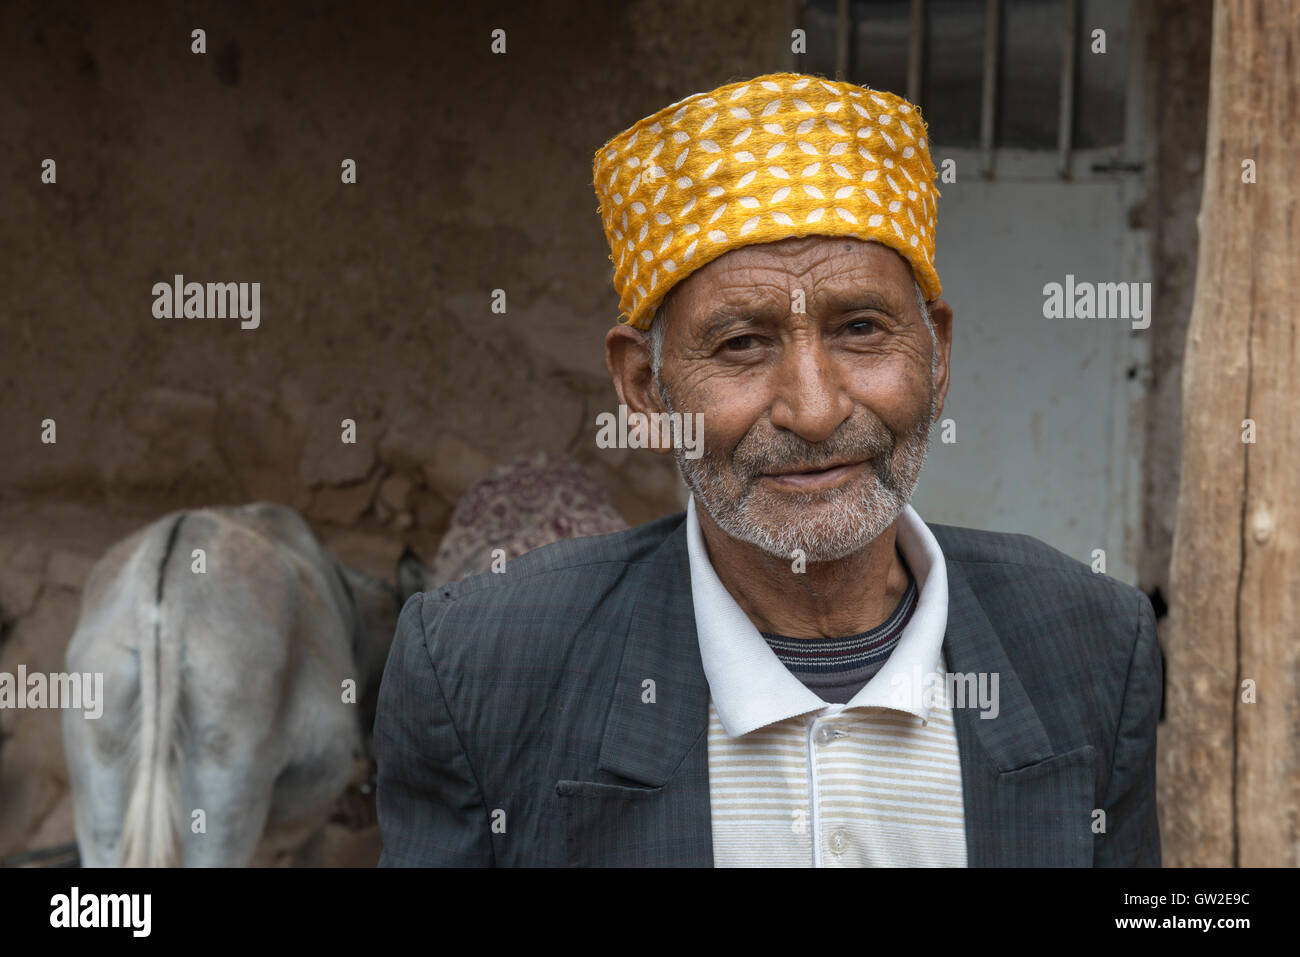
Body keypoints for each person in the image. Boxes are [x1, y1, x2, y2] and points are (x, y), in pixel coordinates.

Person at [374, 72, 1161, 867]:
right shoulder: (480, 671)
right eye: (741, 343)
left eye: (860, 327)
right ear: (646, 388)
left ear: (938, 356)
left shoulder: (1091, 645)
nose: (814, 411)